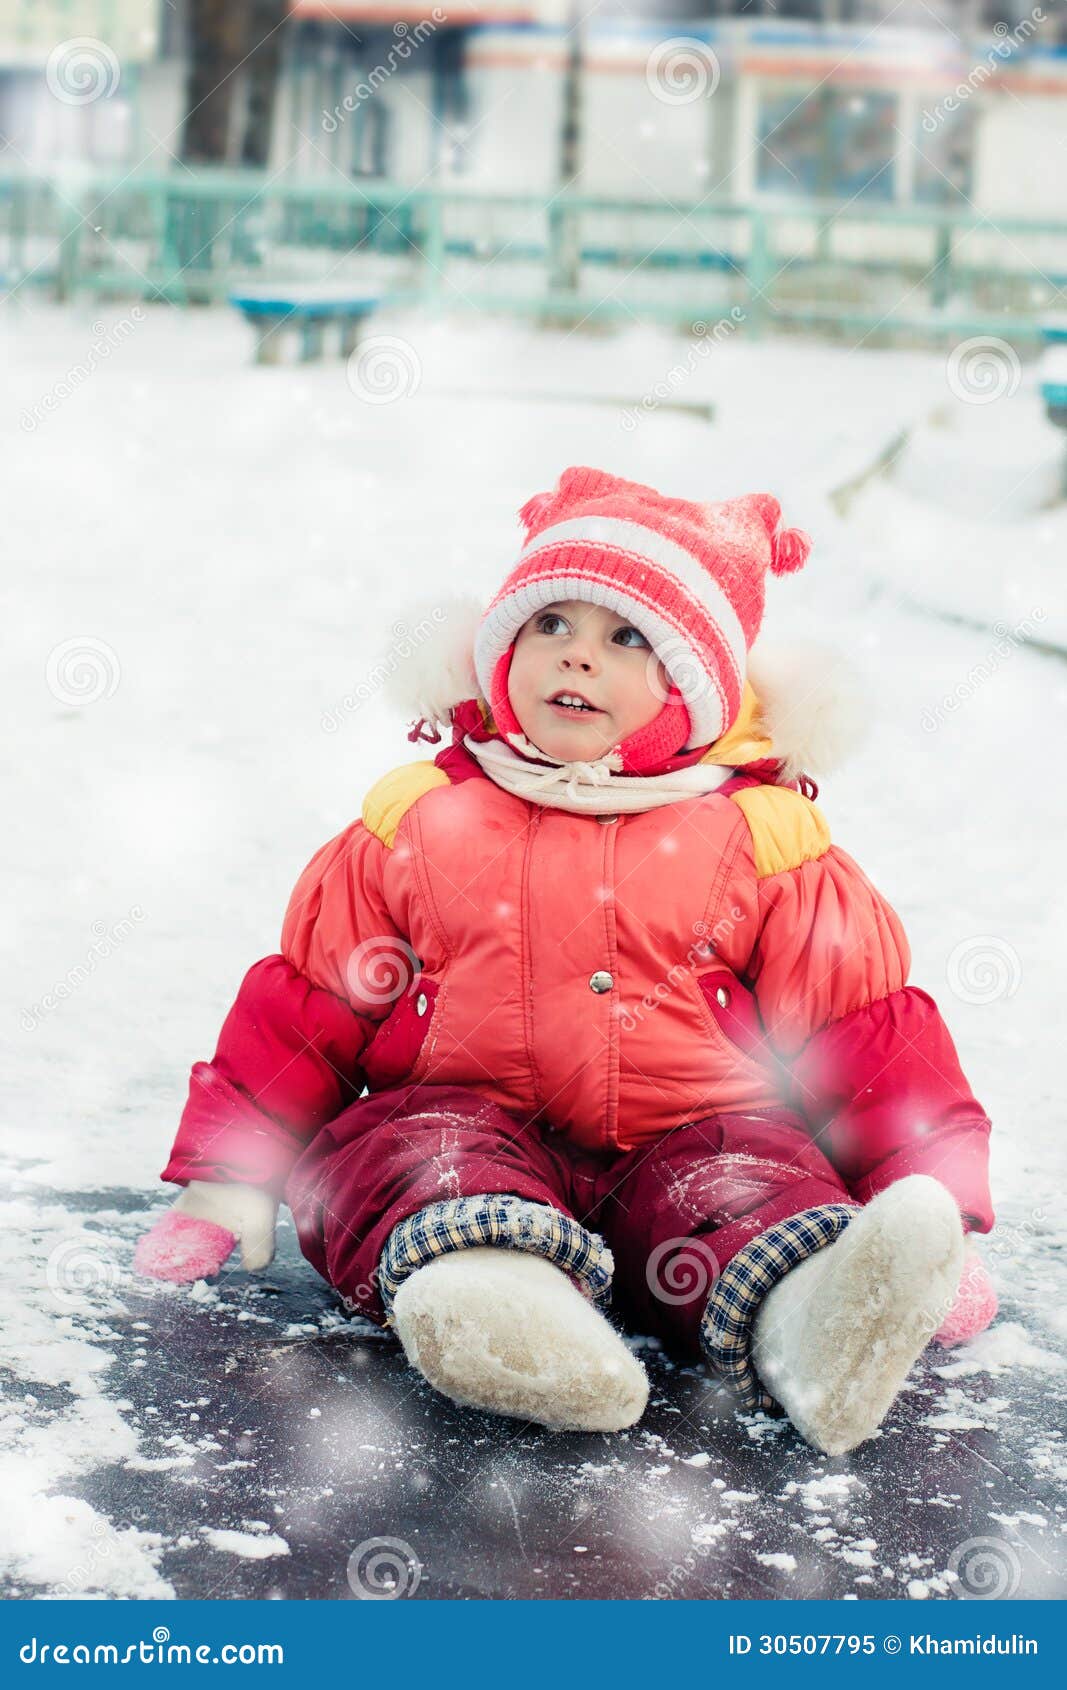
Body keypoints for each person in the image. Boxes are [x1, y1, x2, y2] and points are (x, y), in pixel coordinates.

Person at [135, 466, 997, 1456]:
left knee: (751, 1184)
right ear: (498, 652)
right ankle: (499, 1306)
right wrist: (228, 1173)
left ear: (695, 688)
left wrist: (932, 1199)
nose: (577, 659)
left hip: (692, 1141)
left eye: (627, 638)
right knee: (412, 1159)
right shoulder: (420, 816)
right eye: (551, 625)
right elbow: (310, 1005)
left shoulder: (762, 839)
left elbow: (864, 1031)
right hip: (461, 1118)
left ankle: (818, 1319)